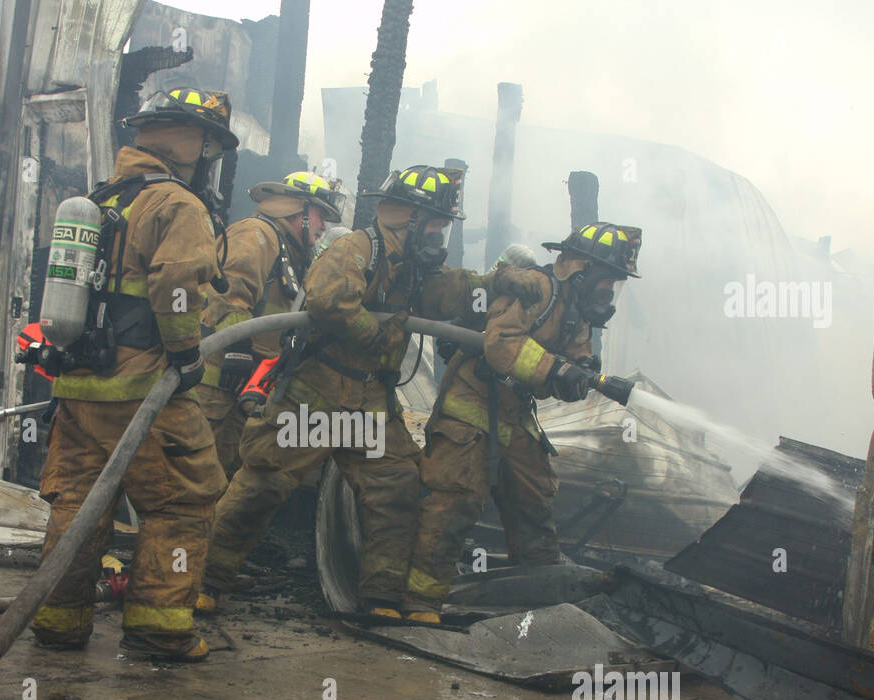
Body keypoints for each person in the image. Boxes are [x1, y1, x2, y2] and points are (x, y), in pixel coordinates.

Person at [198, 165, 504, 619]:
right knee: (264, 485)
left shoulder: (412, 268)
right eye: (436, 223)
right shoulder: (358, 247)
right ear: (409, 217)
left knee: (395, 491)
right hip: (315, 392)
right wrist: (376, 336)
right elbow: (329, 299)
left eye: (443, 225)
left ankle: (380, 599)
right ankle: (204, 582)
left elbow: (446, 295)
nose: (439, 234)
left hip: (370, 404)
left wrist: (494, 285)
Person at [29, 87, 238, 661]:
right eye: (208, 144)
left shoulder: (103, 198)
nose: (210, 157)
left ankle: (58, 625)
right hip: (143, 388)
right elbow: (174, 286)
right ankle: (159, 631)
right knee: (184, 502)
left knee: (78, 506)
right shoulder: (177, 205)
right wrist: (187, 353)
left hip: (78, 386)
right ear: (191, 140)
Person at [403, 222, 643, 623]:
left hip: (516, 412)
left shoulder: (575, 312)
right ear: (581, 271)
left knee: (533, 503)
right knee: (455, 502)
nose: (608, 293)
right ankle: (419, 606)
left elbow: (567, 364)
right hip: (471, 401)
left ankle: (540, 604)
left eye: (614, 286)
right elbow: (502, 343)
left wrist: (579, 371)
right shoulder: (535, 289)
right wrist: (555, 369)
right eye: (606, 282)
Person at [198, 171, 346, 477]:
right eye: (320, 215)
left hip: (249, 388)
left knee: (226, 476)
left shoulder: (294, 254)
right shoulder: (256, 235)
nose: (324, 226)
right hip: (214, 384)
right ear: (298, 210)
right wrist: (238, 348)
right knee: (199, 478)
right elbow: (227, 294)